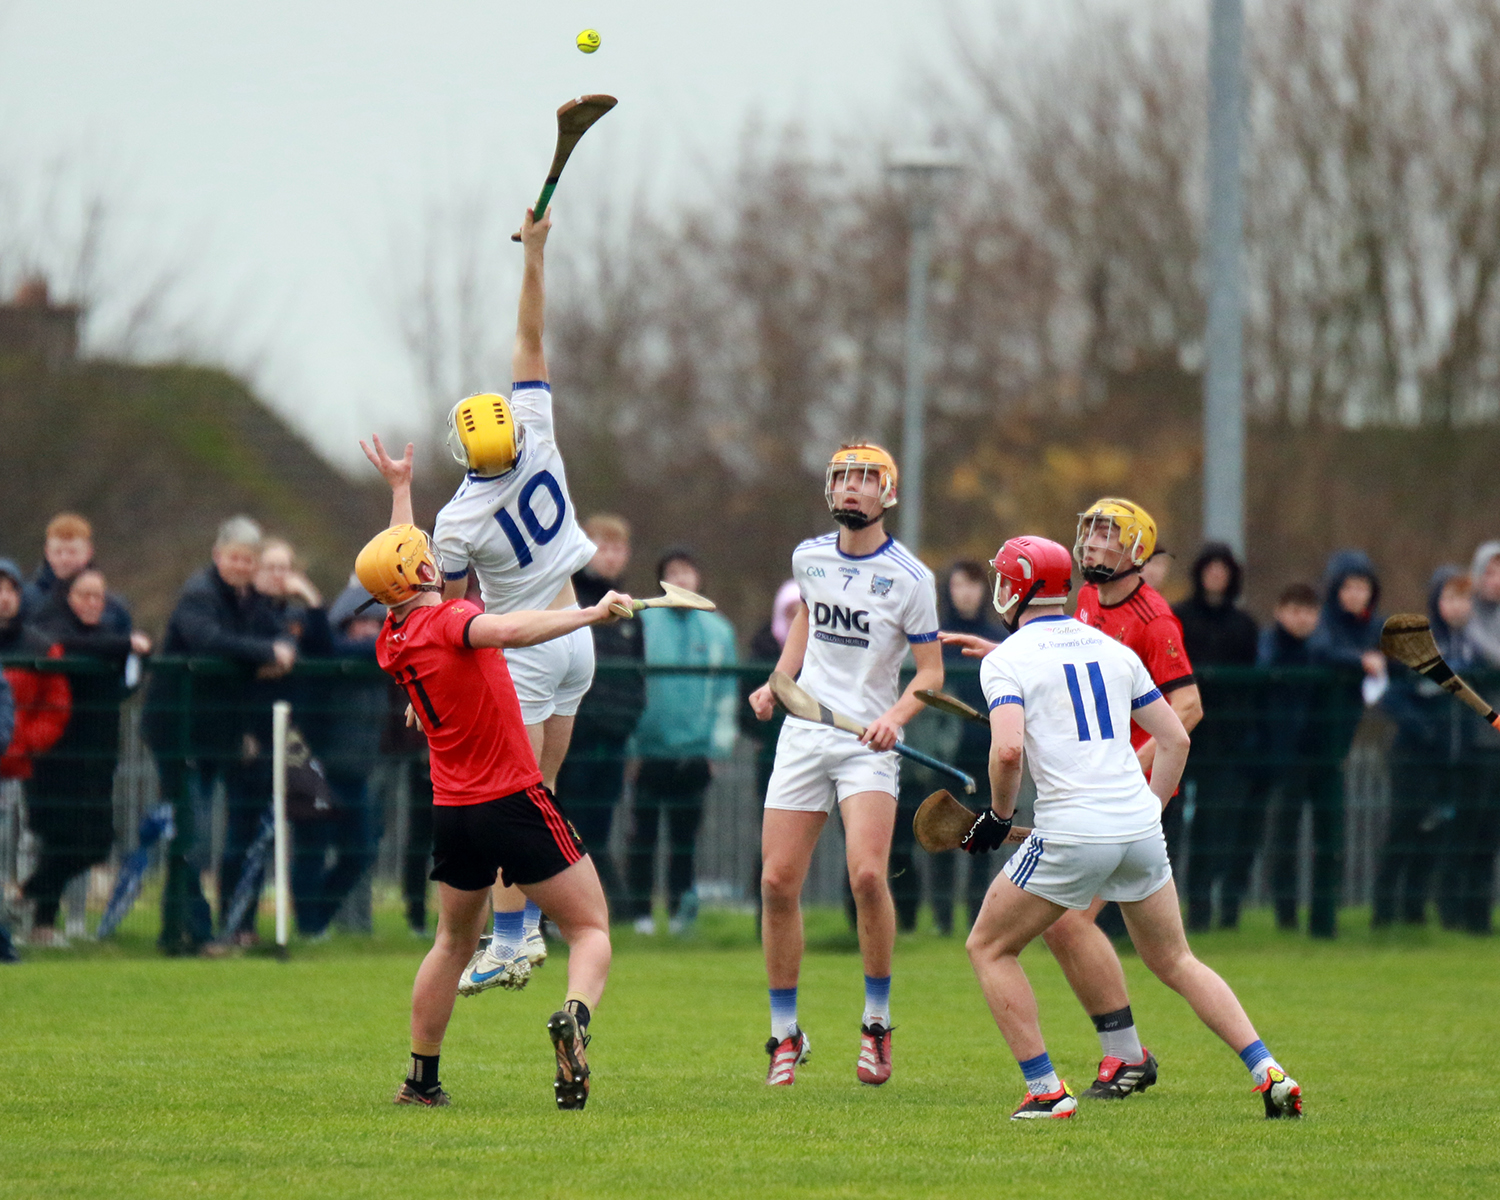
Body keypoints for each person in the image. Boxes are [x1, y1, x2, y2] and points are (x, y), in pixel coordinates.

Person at [962, 534, 1302, 1120]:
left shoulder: (1005, 660)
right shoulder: (1108, 647)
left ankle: (1046, 1090)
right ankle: (1268, 1069)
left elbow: (1009, 750)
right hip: (1141, 828)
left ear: (1017, 587)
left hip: (1072, 832)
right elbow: (1175, 738)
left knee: (989, 946)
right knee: (1176, 960)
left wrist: (997, 816)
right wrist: (1148, 807)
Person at [358, 435, 629, 1110]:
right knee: (592, 930)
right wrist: (591, 611)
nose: (432, 559)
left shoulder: (394, 639)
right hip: (512, 799)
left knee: (452, 940)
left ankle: (421, 1080)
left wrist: (401, 488)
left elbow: (399, 558)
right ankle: (575, 1020)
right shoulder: (455, 622)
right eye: (425, 561)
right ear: (422, 578)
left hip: (453, 810)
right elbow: (512, 631)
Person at [941, 498, 1202, 1102]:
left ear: (1137, 551)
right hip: (1110, 810)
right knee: (1071, 929)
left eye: (1109, 536)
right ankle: (1238, 1065)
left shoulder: (1153, 618)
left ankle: (1075, 1076)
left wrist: (1125, 781)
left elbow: (1186, 712)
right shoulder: (1083, 604)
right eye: (1088, 533)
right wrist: (1007, 660)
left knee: (1007, 942)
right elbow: (1057, 659)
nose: (1093, 545)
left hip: (1126, 800)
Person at [424, 205, 600, 980]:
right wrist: (535, 255)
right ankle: (522, 926)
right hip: (578, 633)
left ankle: (512, 939)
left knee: (505, 807)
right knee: (545, 792)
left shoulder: (457, 518)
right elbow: (531, 337)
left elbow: (450, 617)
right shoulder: (537, 425)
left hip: (525, 650)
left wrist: (422, 683)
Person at [747, 443, 943, 1087]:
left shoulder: (912, 577)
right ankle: (784, 1032)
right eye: (842, 479)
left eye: (865, 480)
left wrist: (896, 719)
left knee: (865, 876)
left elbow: (931, 674)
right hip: (806, 734)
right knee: (777, 882)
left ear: (887, 494)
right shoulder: (809, 558)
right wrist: (778, 682)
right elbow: (805, 618)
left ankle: (878, 1023)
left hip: (867, 743)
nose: (852, 489)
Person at [144, 517, 297, 955]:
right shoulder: (199, 594)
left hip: (219, 735)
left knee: (203, 833)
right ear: (218, 555)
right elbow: (207, 641)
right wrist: (265, 655)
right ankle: (190, 931)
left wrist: (278, 648)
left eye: (247, 560)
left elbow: (282, 636)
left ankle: (196, 931)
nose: (239, 566)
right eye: (233, 558)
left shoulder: (250, 600)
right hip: (177, 730)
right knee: (191, 833)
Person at [22, 569, 150, 944]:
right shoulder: (51, 627)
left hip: (98, 754)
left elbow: (127, 678)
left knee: (96, 841)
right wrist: (126, 644)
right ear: (69, 597)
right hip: (56, 755)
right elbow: (68, 645)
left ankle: (24, 895)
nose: (93, 603)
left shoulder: (107, 635)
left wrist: (132, 652)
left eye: (99, 597)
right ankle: (41, 923)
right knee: (59, 837)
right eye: (85, 595)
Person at [628, 546, 738, 935]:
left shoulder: (720, 631)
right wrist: (632, 748)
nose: (681, 580)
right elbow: (630, 687)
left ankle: (680, 913)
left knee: (684, 839)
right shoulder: (641, 624)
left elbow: (727, 696)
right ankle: (639, 914)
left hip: (695, 754)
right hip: (648, 752)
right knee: (642, 835)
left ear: (698, 578)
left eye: (687, 572)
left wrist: (717, 749)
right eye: (672, 572)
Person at [555, 514, 646, 918]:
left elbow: (639, 675)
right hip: (573, 735)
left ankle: (591, 913)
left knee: (597, 828)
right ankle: (557, 912)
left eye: (619, 548)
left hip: (613, 739)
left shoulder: (630, 608)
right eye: (603, 547)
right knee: (563, 823)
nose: (612, 556)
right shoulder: (569, 599)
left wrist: (627, 722)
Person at [290, 580, 389, 937]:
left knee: (359, 852)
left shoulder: (380, 658)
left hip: (357, 773)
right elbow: (328, 647)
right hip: (320, 768)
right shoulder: (330, 652)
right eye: (362, 622)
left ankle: (317, 919)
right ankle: (307, 926)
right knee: (311, 851)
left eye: (377, 623)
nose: (369, 630)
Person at [1375, 568, 1472, 927]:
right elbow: (1392, 695)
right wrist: (1423, 726)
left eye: (1464, 598)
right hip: (1412, 753)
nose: (1458, 606)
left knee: (1435, 832)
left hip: (1448, 756)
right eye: (1450, 597)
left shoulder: (1469, 644)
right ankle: (1383, 912)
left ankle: (1414, 912)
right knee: (1404, 826)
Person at [1172, 543, 1259, 931]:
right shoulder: (1179, 618)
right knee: (1169, 823)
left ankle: (1208, 910)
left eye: (1223, 569)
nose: (1216, 575)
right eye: (1211, 568)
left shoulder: (1244, 625)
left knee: (1216, 827)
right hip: (1182, 732)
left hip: (1224, 742)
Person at [1302, 549, 1385, 939]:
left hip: (1343, 743)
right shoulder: (1326, 627)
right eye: (1348, 587)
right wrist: (1361, 661)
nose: (1355, 594)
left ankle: (1327, 923)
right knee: (1303, 832)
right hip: (1310, 746)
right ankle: (1307, 922)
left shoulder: (1375, 628)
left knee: (1333, 837)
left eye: (1362, 587)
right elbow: (1321, 651)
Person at [1246, 582, 1322, 931]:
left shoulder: (1319, 651)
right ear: (1279, 611)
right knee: (1267, 837)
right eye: (1294, 610)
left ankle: (1300, 916)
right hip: (1267, 757)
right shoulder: (1267, 648)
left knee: (1295, 838)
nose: (1301, 618)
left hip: (1306, 756)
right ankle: (1276, 915)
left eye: (1308, 611)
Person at [1444, 540, 1500, 933]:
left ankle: (1479, 917)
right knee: (1465, 831)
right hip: (1470, 745)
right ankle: (1451, 913)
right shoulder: (1463, 627)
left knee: (1490, 837)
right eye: (1490, 572)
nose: (1496, 581)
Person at [23, 513, 132, 637]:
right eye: (58, 552)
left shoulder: (114, 608)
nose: (64, 559)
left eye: (72, 552)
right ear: (47, 552)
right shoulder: (27, 599)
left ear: (89, 552)